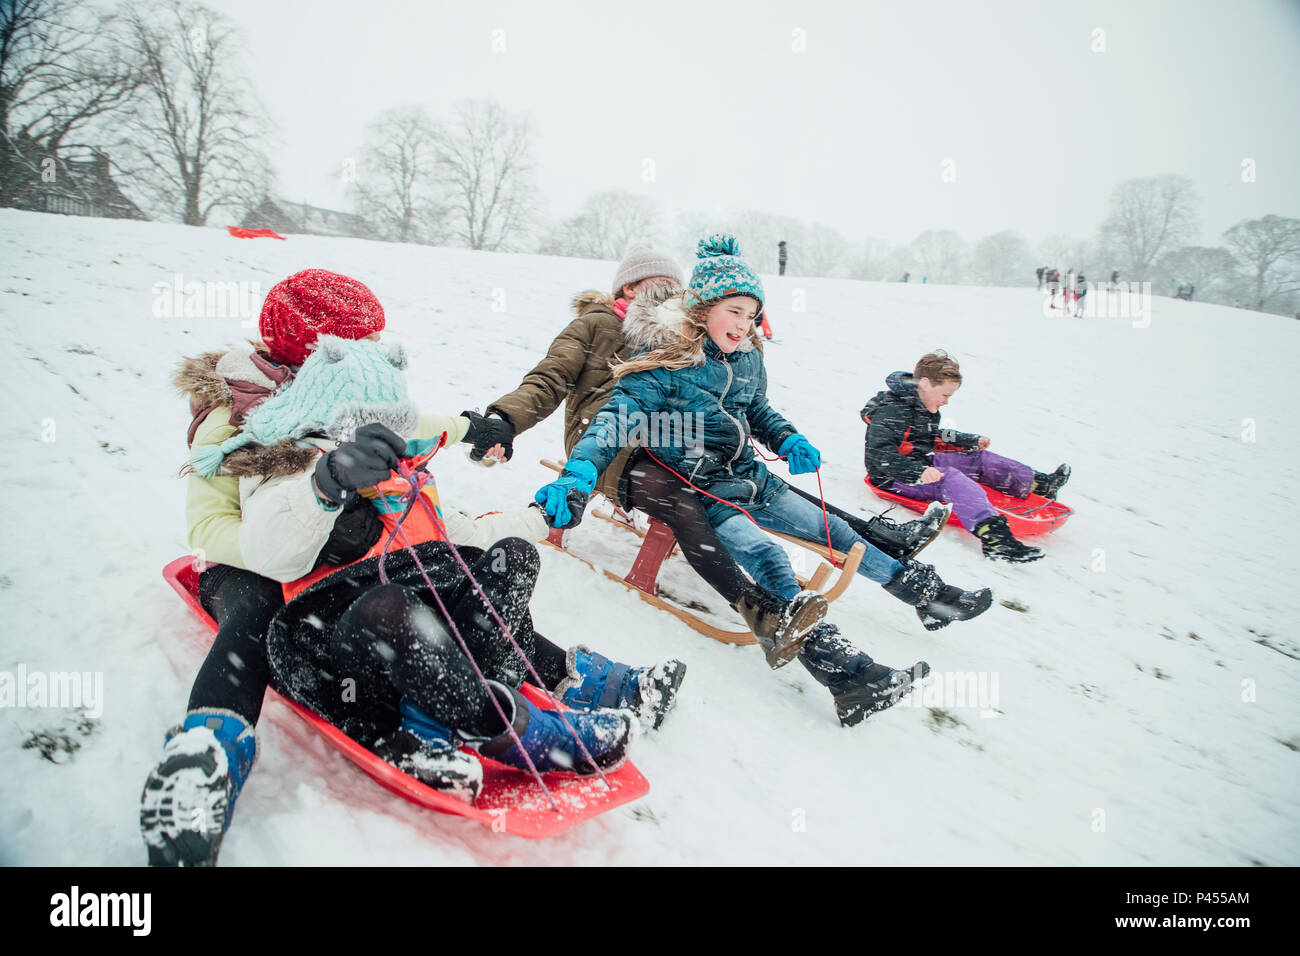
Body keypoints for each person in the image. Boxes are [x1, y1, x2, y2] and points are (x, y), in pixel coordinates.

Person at [140, 270, 681, 867]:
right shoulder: (237, 420)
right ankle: (203, 756)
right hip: (245, 557)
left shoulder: (360, 395)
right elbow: (210, 530)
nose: (375, 350)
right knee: (258, 614)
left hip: (353, 559)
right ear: (319, 348)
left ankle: (565, 679)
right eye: (362, 341)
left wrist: (482, 432)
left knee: (452, 575)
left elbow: (415, 428)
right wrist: (321, 507)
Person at [537, 236, 997, 726]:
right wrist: (579, 473)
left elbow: (756, 409)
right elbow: (613, 421)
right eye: (734, 311)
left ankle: (926, 596)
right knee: (767, 555)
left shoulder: (749, 357)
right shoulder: (664, 362)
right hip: (701, 487)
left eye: (752, 315)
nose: (744, 325)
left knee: (836, 532)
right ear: (702, 310)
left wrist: (788, 438)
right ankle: (847, 672)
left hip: (752, 477)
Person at [469, 243, 947, 668]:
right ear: (629, 287)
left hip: (679, 443)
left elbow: (743, 400)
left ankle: (878, 543)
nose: (667, 294)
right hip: (609, 444)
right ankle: (758, 606)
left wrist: (779, 433)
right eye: (656, 285)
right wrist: (505, 422)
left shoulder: (689, 336)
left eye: (674, 287)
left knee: (764, 489)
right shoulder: (598, 326)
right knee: (689, 500)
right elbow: (550, 380)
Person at [862, 350, 1071, 564]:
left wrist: (967, 441)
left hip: (918, 464)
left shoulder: (921, 404)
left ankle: (1041, 485)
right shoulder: (893, 410)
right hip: (894, 477)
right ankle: (996, 541)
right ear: (925, 384)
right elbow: (880, 454)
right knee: (950, 478)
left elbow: (930, 435)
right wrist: (919, 472)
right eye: (945, 395)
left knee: (978, 459)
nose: (946, 402)